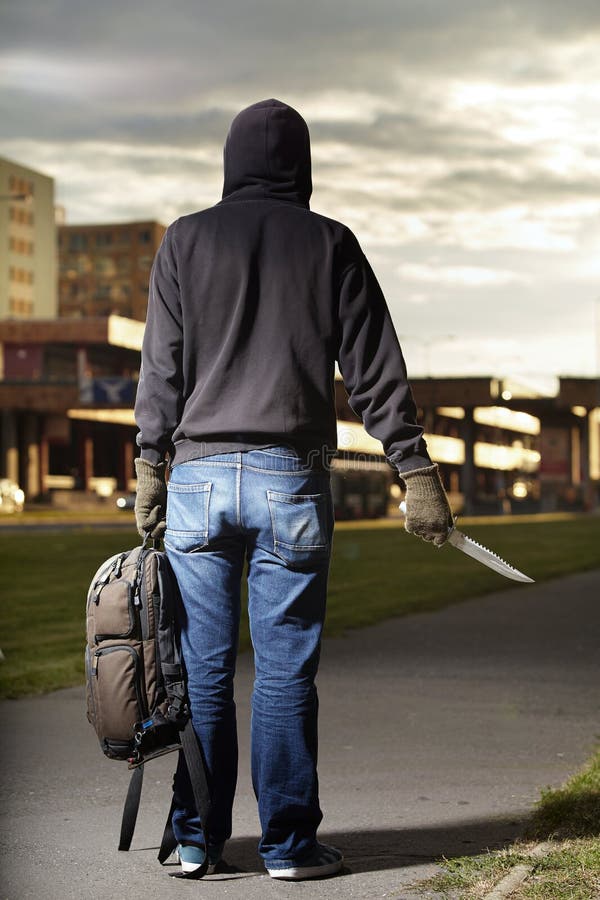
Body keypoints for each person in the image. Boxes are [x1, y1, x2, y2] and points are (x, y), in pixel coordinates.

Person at [134, 98, 453, 880]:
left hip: (199, 482)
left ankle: (195, 841)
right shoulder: (330, 243)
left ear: (231, 160)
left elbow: (162, 369)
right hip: (290, 484)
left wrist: (149, 464)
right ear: (302, 165)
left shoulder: (186, 239)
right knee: (283, 673)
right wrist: (413, 469)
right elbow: (374, 367)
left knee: (199, 672)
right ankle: (287, 847)